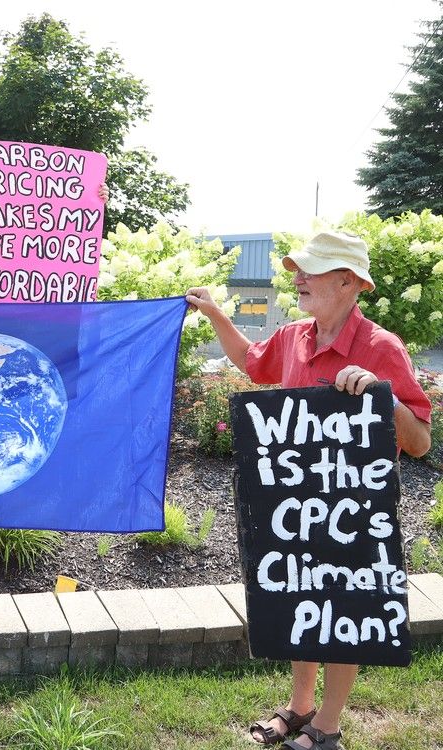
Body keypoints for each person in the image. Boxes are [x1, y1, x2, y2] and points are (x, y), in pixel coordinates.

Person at [185, 231, 431, 750]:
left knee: (345, 609)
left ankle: (328, 726)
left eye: (311, 270)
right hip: (296, 507)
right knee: (303, 597)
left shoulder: (381, 348)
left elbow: (420, 441)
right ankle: (299, 709)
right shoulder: (294, 336)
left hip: (354, 508)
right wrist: (214, 314)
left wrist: (382, 395)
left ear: (348, 282)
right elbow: (252, 361)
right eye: (298, 268)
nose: (297, 277)